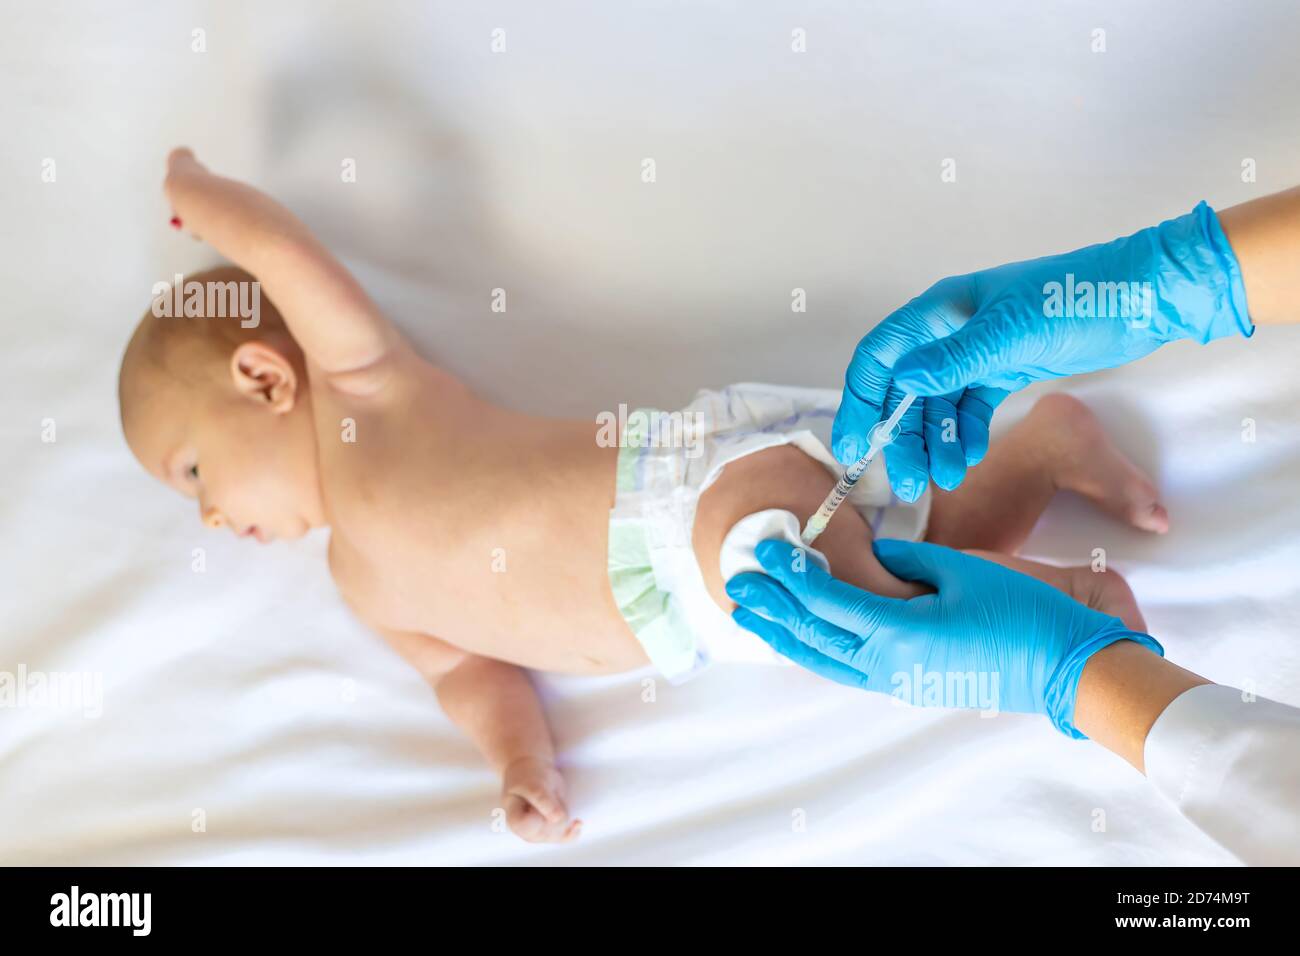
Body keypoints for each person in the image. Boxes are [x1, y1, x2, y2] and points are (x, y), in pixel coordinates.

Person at [728, 187, 1300, 865]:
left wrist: (1078, 674)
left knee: (868, 593)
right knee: (911, 571)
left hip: (693, 508)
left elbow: (1261, 793)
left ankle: (1053, 531)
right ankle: (1039, 454)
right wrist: (1160, 280)